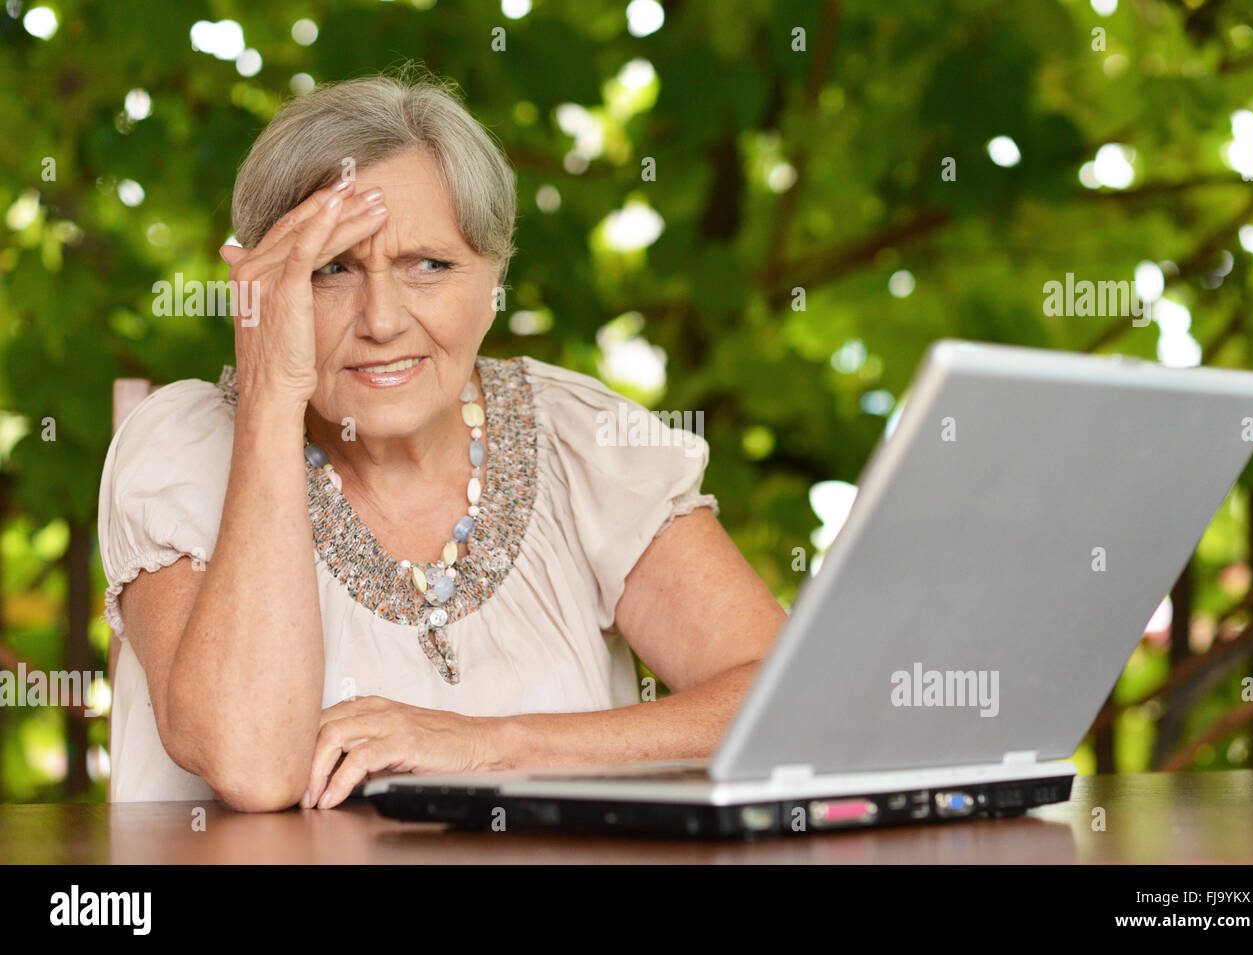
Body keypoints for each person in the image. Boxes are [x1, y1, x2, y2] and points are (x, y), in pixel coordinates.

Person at [98, 68, 786, 811]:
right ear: (263, 285)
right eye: (331, 270)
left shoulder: (583, 440)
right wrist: (271, 397)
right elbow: (253, 765)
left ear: (494, 277)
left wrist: (494, 744)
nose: (383, 319)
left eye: (428, 264)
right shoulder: (182, 449)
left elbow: (788, 701)